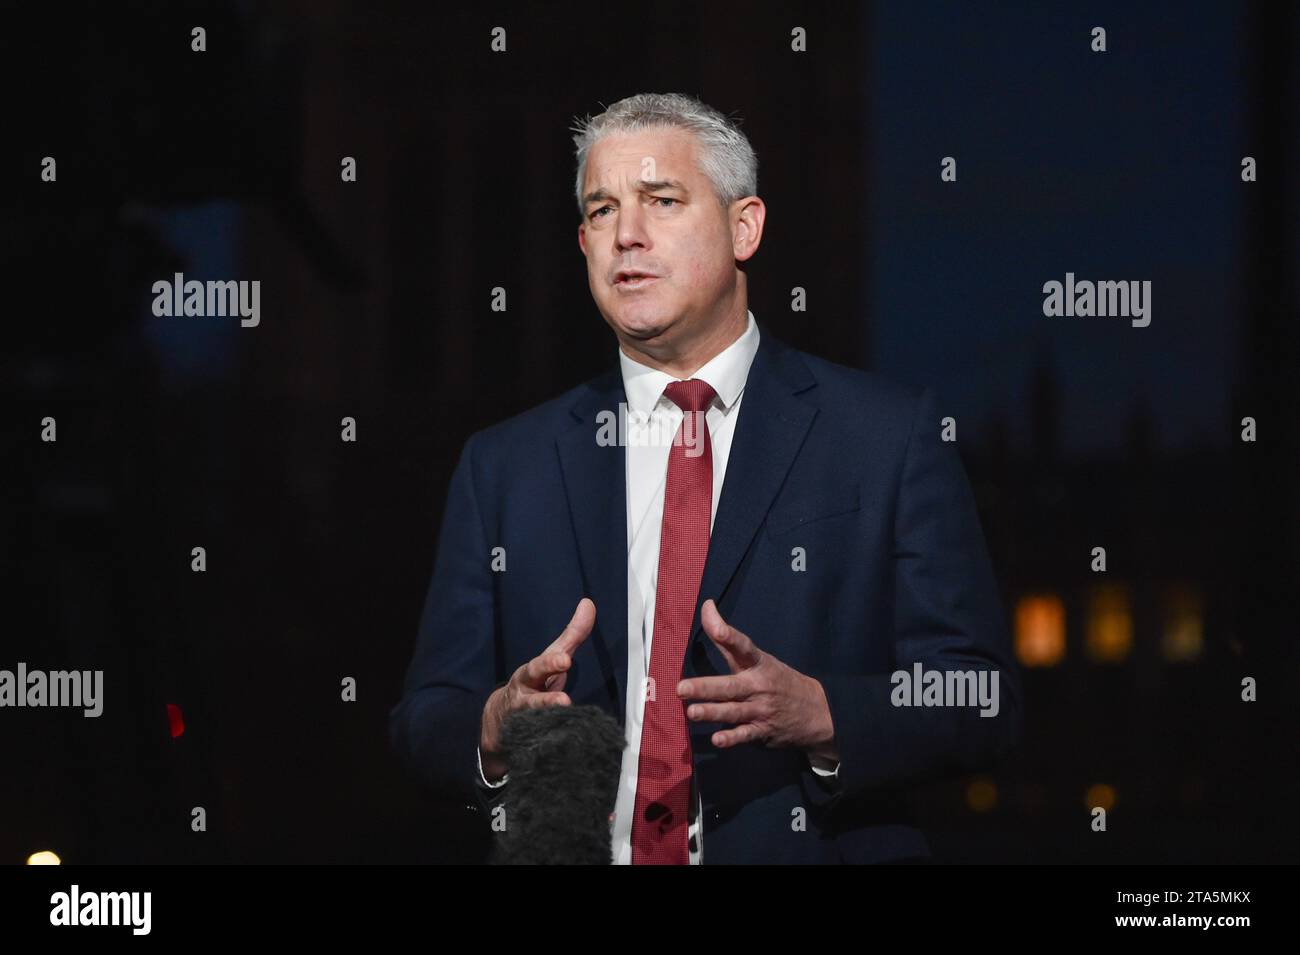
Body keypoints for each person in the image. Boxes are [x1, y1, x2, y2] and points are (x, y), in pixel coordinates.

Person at [389, 92, 1021, 864]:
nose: (626, 234)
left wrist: (824, 711)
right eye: (601, 210)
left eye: (661, 200)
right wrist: (494, 723)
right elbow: (424, 719)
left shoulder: (886, 435)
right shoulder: (503, 466)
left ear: (743, 226)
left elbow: (979, 699)